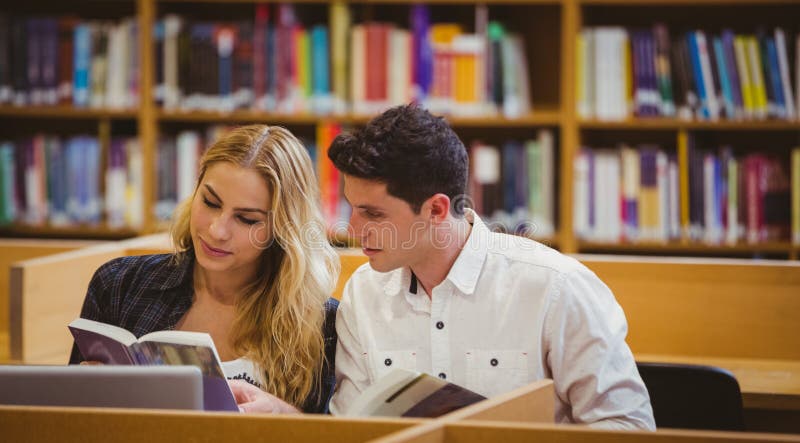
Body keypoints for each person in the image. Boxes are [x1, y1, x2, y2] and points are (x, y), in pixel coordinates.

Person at [326, 104, 655, 429]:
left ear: (437, 209)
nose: (351, 230)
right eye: (352, 208)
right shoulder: (363, 292)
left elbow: (628, 426)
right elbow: (349, 430)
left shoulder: (556, 287)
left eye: (373, 214)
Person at [69, 125, 340, 414]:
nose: (217, 230)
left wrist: (289, 418)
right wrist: (86, 395)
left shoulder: (321, 324)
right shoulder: (119, 285)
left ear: (284, 229)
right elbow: (61, 419)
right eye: (210, 202)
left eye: (247, 219)